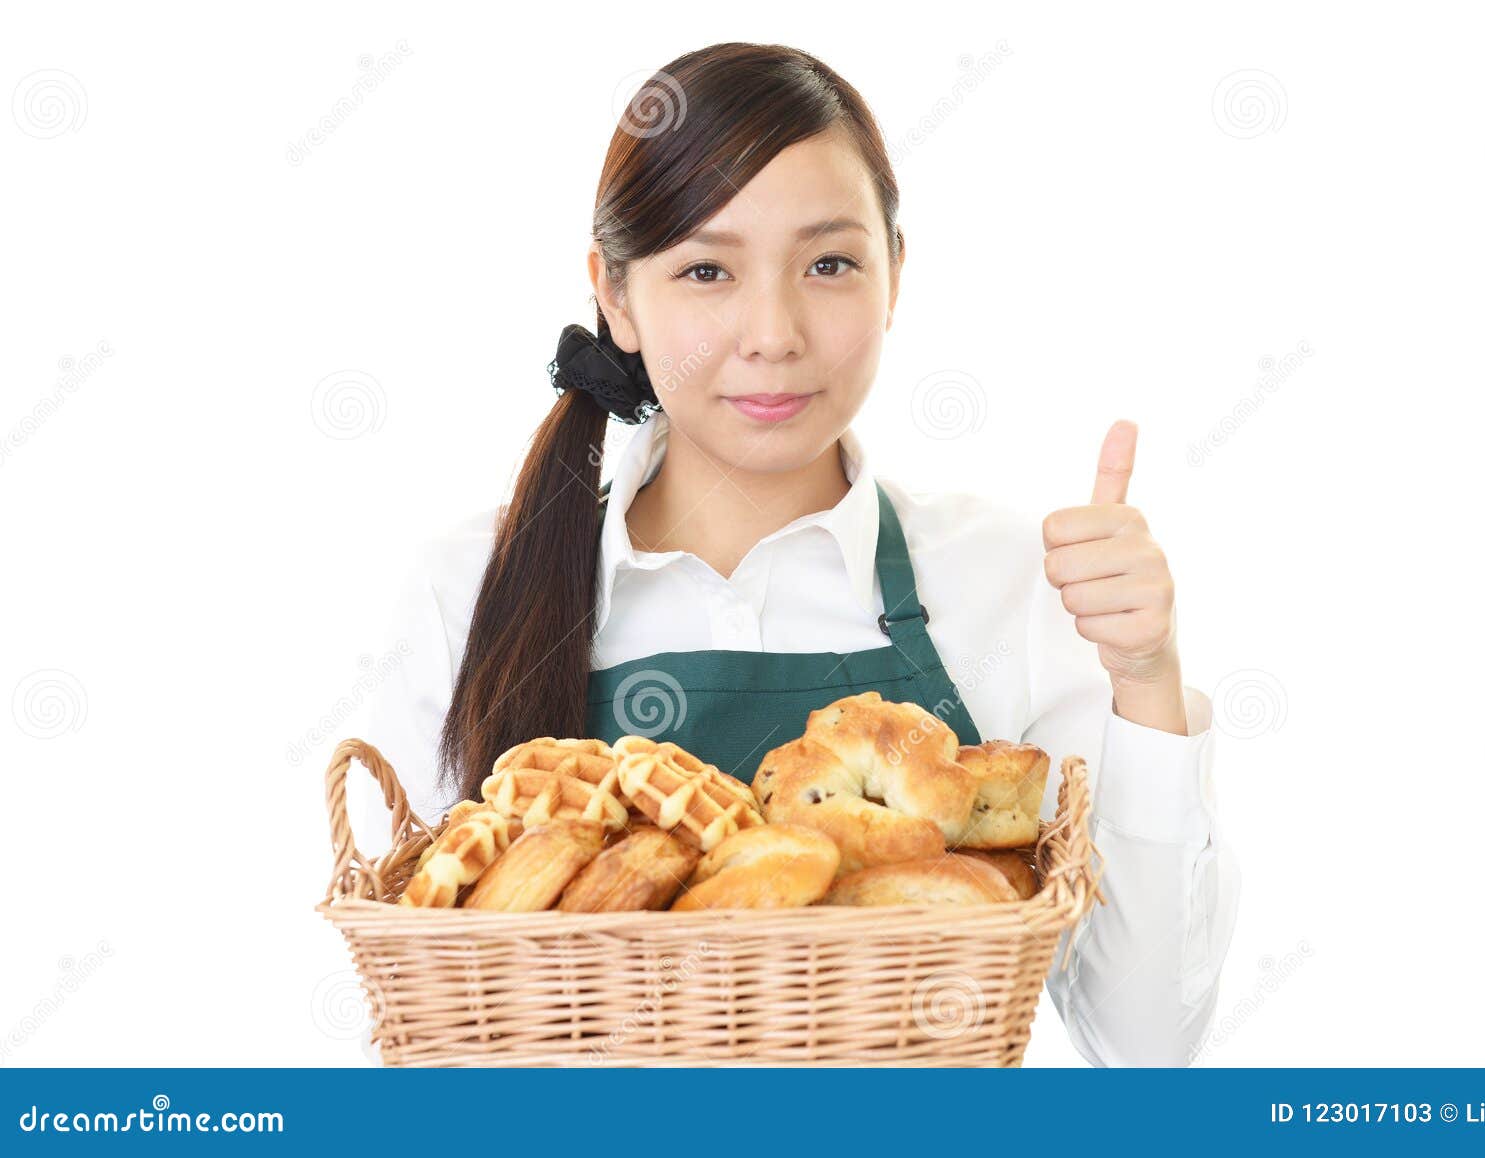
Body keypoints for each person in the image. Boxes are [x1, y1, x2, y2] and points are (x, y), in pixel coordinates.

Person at [351, 41, 1239, 1066]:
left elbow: (1145, 1046)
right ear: (617, 296)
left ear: (895, 275)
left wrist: (1146, 684)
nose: (772, 332)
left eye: (828, 264)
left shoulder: (1003, 579)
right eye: (705, 270)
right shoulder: (470, 587)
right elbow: (422, 1025)